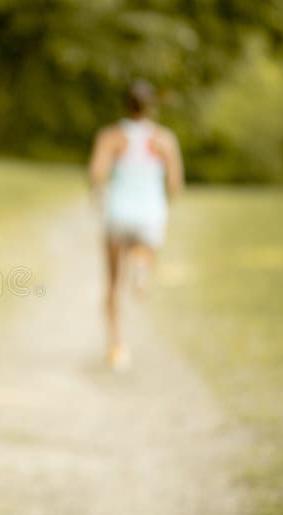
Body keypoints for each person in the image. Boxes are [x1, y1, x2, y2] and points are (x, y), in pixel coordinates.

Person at [88, 80, 184, 371]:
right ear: (151, 106)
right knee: (144, 251)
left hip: (119, 212)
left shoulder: (112, 136)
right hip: (149, 213)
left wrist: (99, 195)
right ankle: (141, 260)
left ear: (125, 105)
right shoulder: (164, 139)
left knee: (113, 284)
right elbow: (175, 184)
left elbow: (96, 174)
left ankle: (117, 347)